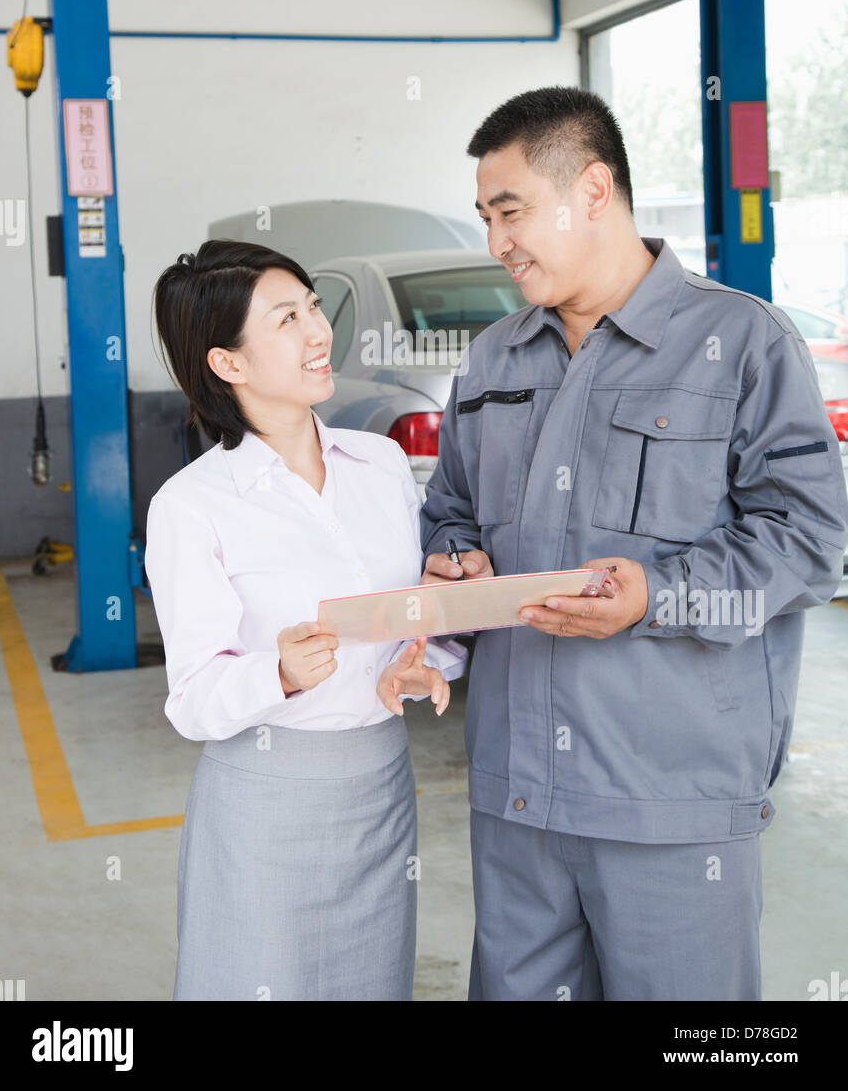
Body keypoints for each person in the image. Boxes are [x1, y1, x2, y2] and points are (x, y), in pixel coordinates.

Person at [420, 85, 848, 1002]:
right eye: (486, 217)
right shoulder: (495, 358)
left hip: (670, 799)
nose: (498, 241)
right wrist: (454, 555)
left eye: (512, 211)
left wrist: (658, 595)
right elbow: (451, 503)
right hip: (516, 794)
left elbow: (811, 541)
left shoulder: (742, 343)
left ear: (595, 191)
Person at [144, 239, 467, 1001]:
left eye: (315, 308)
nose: (319, 332)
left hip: (382, 791)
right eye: (288, 319)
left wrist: (423, 659)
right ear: (230, 363)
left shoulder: (379, 464)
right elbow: (191, 697)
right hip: (265, 804)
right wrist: (277, 672)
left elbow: (407, 613)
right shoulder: (192, 507)